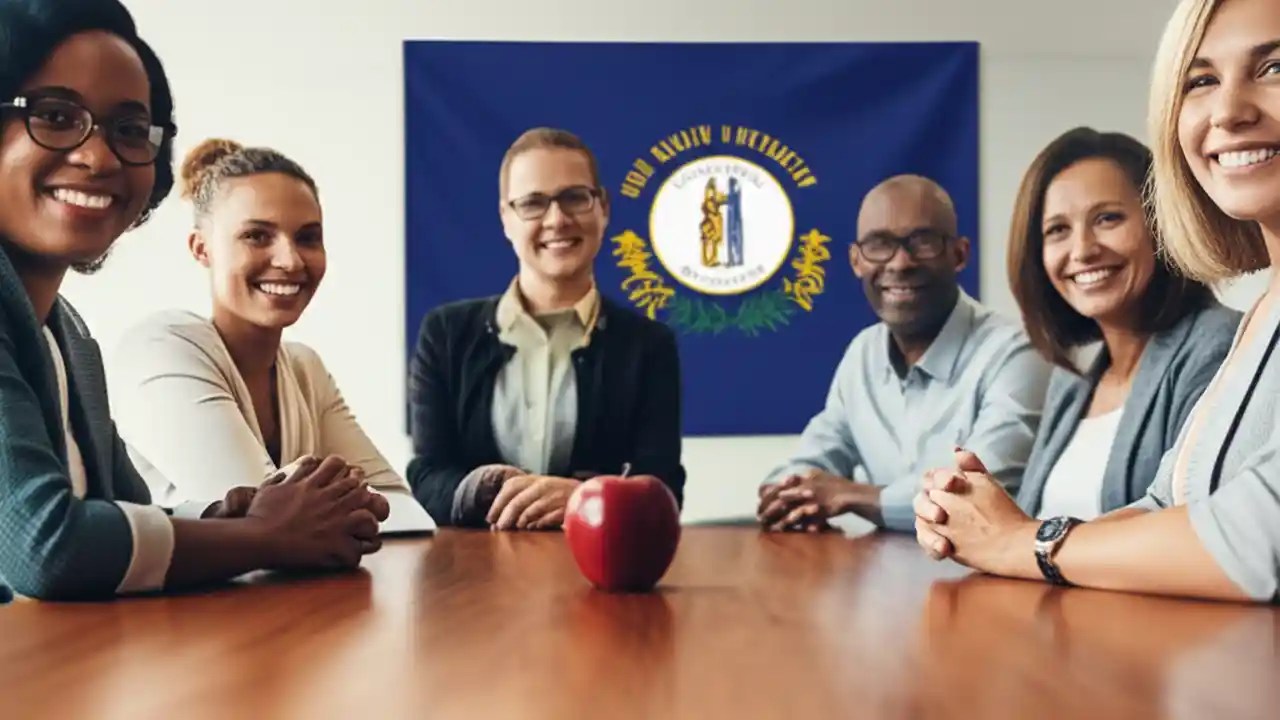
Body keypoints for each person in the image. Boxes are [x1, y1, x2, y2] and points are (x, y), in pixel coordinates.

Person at [0, 0, 386, 602]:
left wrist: (229, 517)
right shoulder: (161, 341)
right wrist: (266, 534)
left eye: (129, 130)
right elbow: (45, 546)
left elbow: (126, 507)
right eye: (54, 116)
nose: (98, 157)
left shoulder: (69, 333)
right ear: (202, 248)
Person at [914, 0, 1280, 603]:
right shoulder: (1262, 315)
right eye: (1202, 80)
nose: (1229, 110)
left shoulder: (1213, 337)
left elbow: (1257, 534)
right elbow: (1167, 505)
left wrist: (1022, 544)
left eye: (1273, 68)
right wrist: (985, 528)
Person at [108, 138, 419, 526]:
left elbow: (401, 511)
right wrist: (339, 492)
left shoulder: (305, 367)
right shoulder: (161, 347)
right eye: (256, 235)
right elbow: (263, 519)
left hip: (284, 589)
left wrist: (317, 496)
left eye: (307, 237)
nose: (290, 261)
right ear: (201, 248)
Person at [407, 127, 685, 529]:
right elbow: (426, 477)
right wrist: (491, 487)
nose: (557, 219)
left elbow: (664, 489)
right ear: (506, 218)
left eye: (575, 197)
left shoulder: (649, 345)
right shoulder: (445, 333)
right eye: (533, 203)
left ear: (603, 208)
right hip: (470, 580)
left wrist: (584, 499)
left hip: (600, 576)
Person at [757, 175, 1052, 532]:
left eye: (922, 242)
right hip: (883, 578)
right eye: (879, 244)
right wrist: (790, 491)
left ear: (959, 254)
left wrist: (851, 496)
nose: (899, 263)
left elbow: (976, 495)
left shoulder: (1017, 353)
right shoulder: (863, 354)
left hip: (990, 581)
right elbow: (815, 455)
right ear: (855, 261)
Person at [1007, 127, 1239, 520]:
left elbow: (1192, 531)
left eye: (1107, 218)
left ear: (1161, 223)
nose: (1082, 250)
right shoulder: (1072, 378)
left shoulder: (1218, 346)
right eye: (1057, 230)